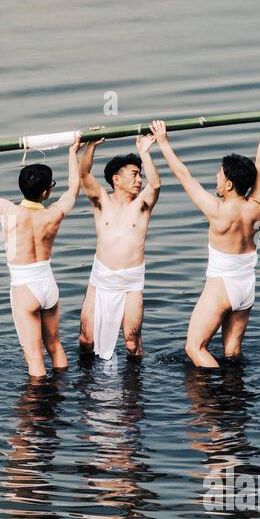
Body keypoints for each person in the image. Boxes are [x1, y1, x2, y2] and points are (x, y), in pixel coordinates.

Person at [150, 111, 260, 367]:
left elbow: (183, 175)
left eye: (219, 175)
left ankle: (213, 405)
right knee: (232, 354)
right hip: (247, 287)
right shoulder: (257, 205)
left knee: (194, 348)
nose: (216, 178)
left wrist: (163, 143)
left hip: (222, 287)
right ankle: (232, 398)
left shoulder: (218, 210)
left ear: (230, 185)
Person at [0, 138, 82, 377]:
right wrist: (73, 153)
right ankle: (63, 391)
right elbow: (73, 189)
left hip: (25, 288)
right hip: (48, 285)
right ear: (46, 192)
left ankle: (38, 410)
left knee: (34, 357)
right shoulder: (55, 213)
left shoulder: (7, 210)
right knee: (55, 346)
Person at [77, 132, 161, 360]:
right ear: (116, 179)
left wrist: (145, 153)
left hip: (131, 280)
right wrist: (91, 145)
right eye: (134, 174)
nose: (139, 180)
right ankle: (88, 389)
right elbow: (83, 173)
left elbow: (155, 184)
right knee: (86, 339)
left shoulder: (142, 205)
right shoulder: (101, 201)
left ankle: (133, 393)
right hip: (101, 277)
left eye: (139, 175)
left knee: (132, 342)